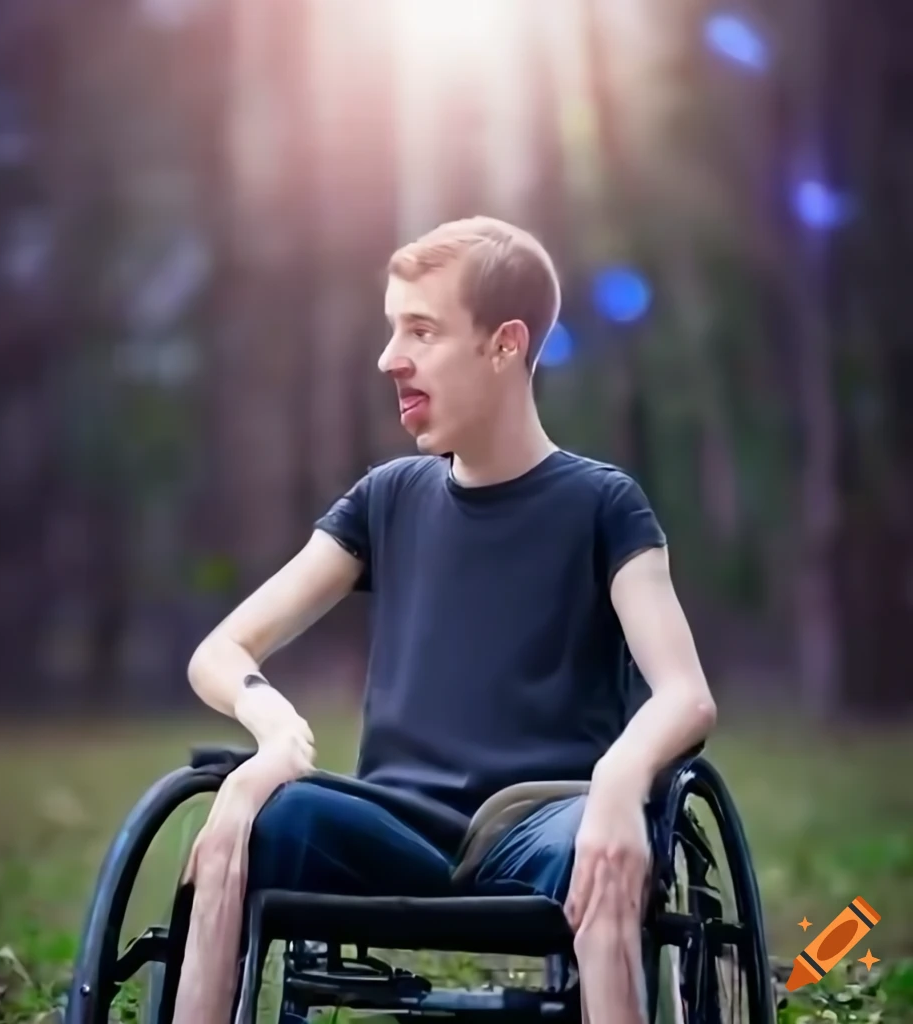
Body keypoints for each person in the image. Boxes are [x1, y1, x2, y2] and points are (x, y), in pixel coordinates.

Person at [172, 216, 717, 1024]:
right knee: (240, 820)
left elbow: (685, 696)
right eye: (393, 329)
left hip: (547, 821)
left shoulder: (604, 505)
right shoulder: (386, 499)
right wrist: (276, 734)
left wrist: (617, 780)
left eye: (420, 331)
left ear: (504, 344)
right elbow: (223, 650)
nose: (390, 357)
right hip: (392, 826)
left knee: (606, 855)